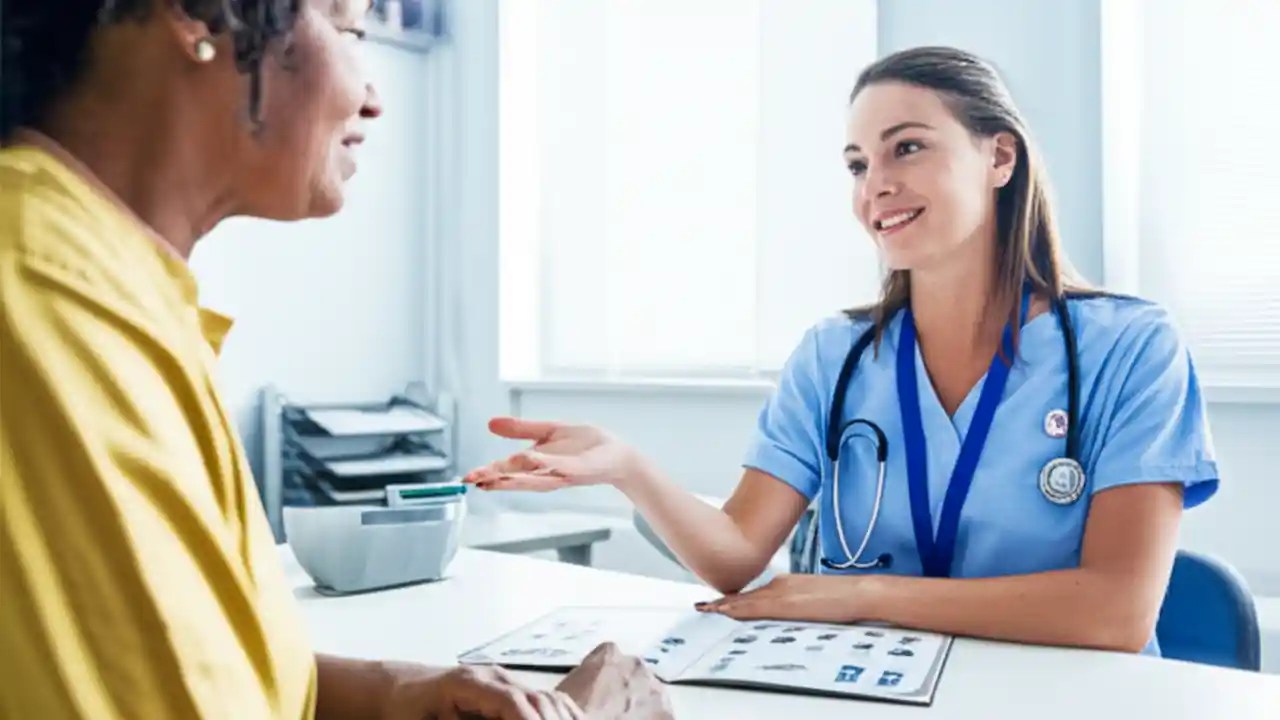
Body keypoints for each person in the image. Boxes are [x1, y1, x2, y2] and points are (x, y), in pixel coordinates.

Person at [0, 1, 671, 718]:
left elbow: (207, 668)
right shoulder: (48, 299)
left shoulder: (101, 277)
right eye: (349, 29)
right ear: (196, 16)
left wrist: (395, 691)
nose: (374, 97)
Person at [465, 46, 1220, 656]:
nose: (876, 187)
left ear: (1000, 159)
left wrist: (854, 594)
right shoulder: (835, 355)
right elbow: (735, 555)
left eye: (908, 149)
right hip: (869, 689)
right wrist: (627, 467)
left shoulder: (1130, 347)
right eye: (858, 164)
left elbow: (1115, 613)